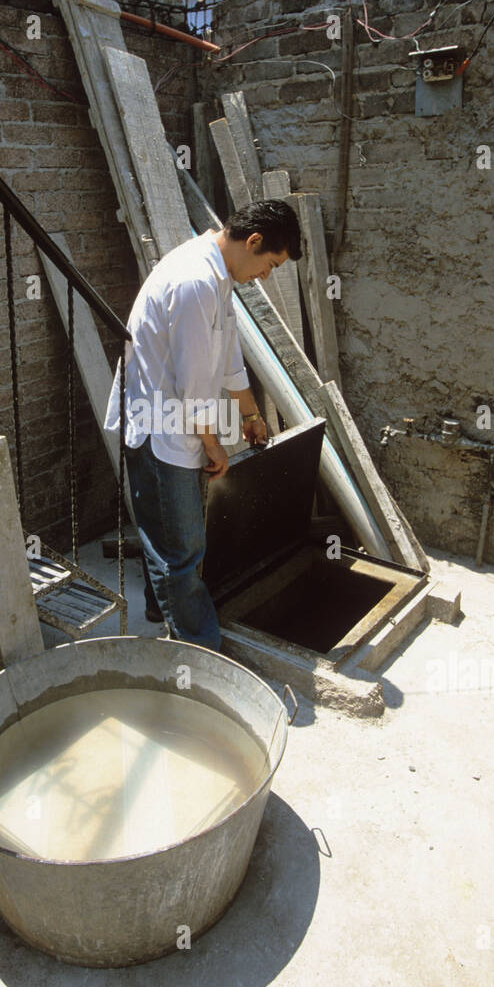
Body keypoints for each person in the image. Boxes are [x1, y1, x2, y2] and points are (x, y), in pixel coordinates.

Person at [104, 199, 302, 651]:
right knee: (183, 547)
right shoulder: (195, 281)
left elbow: (228, 354)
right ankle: (199, 648)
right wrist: (213, 444)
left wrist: (250, 414)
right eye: (269, 264)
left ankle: (162, 607)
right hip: (162, 426)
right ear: (253, 241)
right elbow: (194, 383)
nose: (265, 276)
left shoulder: (218, 275)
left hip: (180, 421)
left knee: (171, 530)